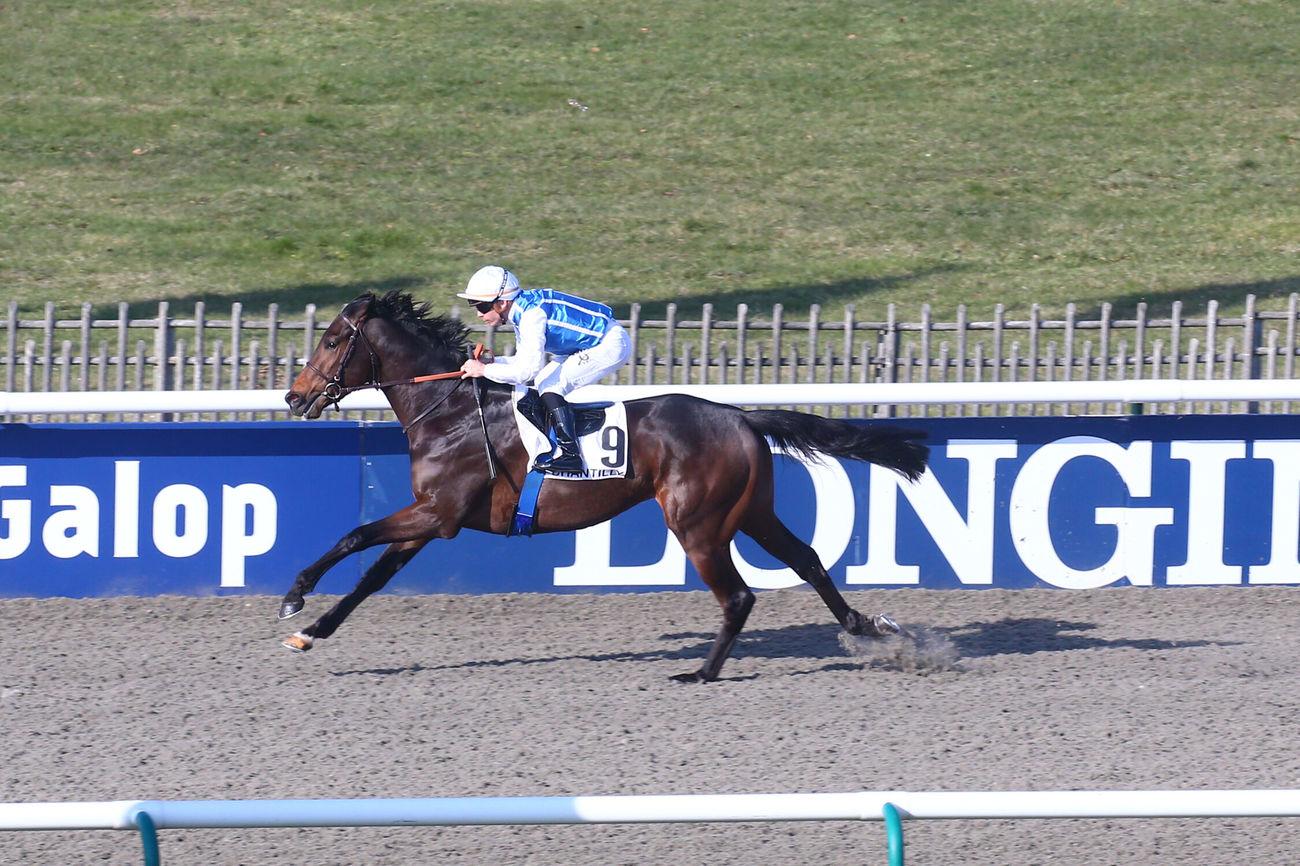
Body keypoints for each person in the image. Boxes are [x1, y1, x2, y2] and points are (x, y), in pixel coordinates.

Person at [457, 265, 631, 473]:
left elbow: (525, 372)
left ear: (502, 303)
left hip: (609, 344)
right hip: (586, 345)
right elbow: (522, 361)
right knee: (543, 382)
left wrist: (483, 371)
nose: (478, 314)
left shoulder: (531, 316)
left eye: (482, 307)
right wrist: (492, 364)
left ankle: (572, 457)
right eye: (473, 306)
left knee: (550, 385)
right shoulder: (522, 310)